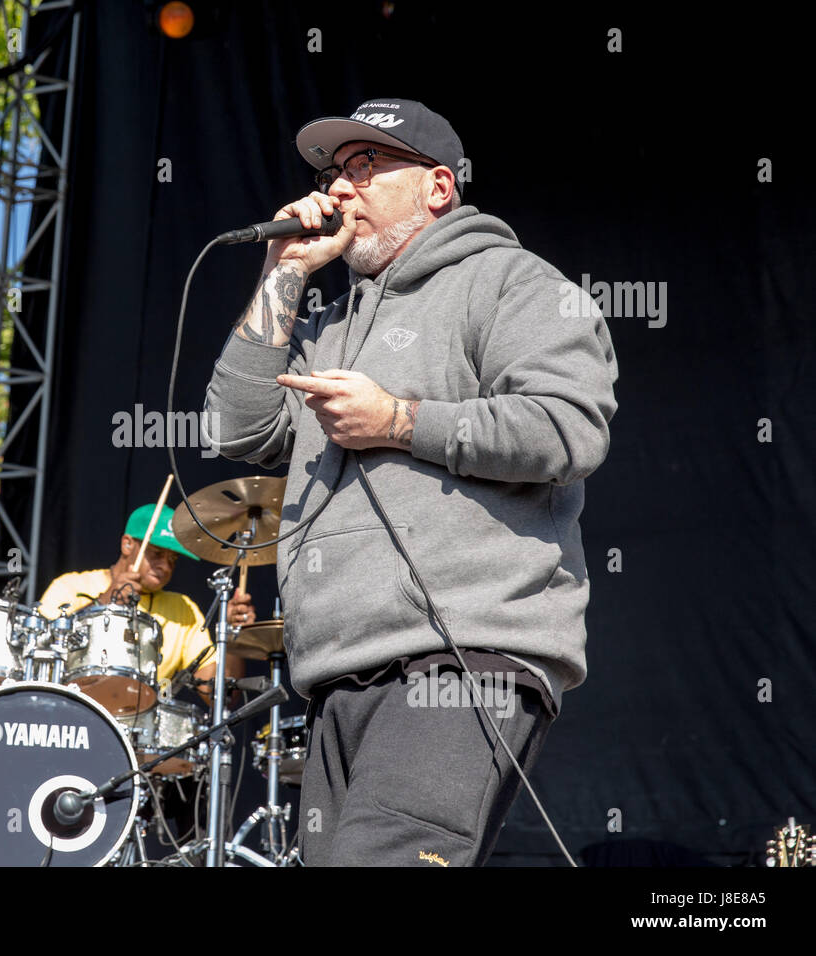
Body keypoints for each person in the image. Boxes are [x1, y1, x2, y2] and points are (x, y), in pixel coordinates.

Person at [203, 98, 618, 866]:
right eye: (332, 170)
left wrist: (398, 420)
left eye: (365, 166)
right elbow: (233, 430)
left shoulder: (511, 282)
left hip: (461, 657)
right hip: (334, 672)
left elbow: (568, 428)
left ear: (436, 188)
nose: (339, 188)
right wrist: (284, 270)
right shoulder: (331, 322)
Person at [36, 503, 251, 706]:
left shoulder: (183, 610)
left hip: (139, 733)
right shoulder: (71, 586)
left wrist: (233, 636)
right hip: (67, 719)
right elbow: (36, 652)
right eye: (156, 553)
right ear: (127, 544)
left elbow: (219, 698)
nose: (165, 566)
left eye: (173, 559)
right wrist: (103, 605)